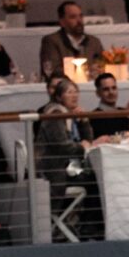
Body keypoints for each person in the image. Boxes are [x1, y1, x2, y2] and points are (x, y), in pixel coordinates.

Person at [34, 75, 105, 236]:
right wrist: (82, 147)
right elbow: (61, 146)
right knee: (96, 179)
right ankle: (88, 226)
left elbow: (88, 140)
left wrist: (84, 120)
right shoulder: (55, 114)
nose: (74, 96)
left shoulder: (69, 114)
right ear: (59, 97)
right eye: (69, 92)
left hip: (69, 167)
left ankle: (86, 225)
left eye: (76, 92)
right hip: (54, 172)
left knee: (96, 176)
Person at [39, 1, 105, 81]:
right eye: (73, 17)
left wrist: (99, 69)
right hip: (63, 88)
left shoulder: (94, 42)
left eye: (80, 16)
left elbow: (103, 66)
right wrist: (85, 70)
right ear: (62, 22)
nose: (79, 21)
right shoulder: (51, 41)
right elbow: (52, 70)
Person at [89, 72, 129, 140]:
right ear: (98, 93)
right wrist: (128, 117)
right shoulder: (93, 117)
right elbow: (112, 137)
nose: (111, 92)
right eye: (106, 89)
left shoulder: (125, 112)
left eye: (114, 88)